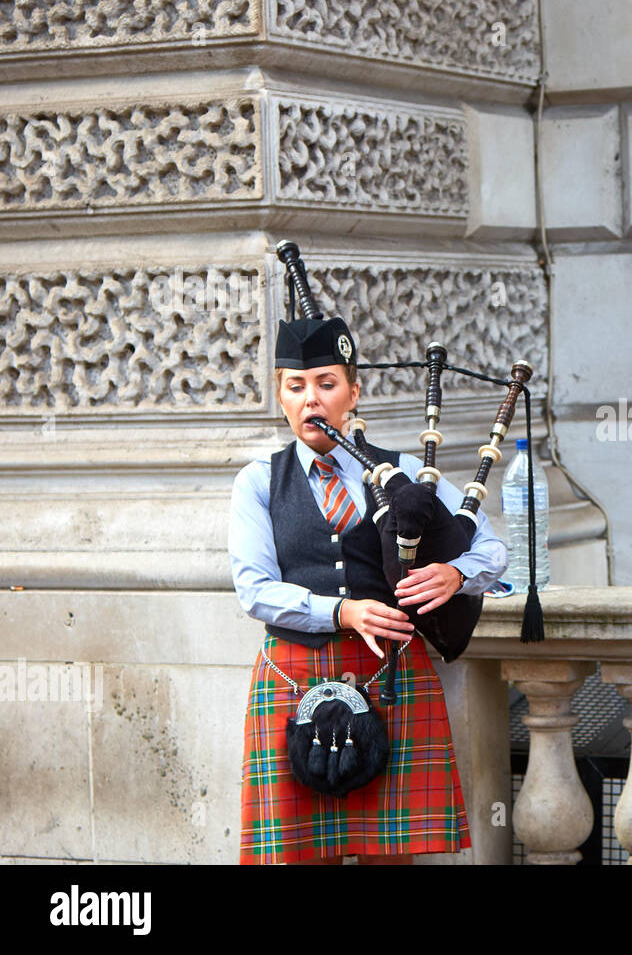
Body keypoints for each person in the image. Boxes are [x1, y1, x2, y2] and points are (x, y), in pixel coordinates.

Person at [229, 313, 507, 865]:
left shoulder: (404, 472)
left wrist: (454, 575)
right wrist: (343, 612)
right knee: (302, 856)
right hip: (292, 680)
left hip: (391, 682)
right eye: (296, 386)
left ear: (353, 393)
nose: (312, 400)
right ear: (281, 397)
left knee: (391, 856)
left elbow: (491, 551)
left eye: (327, 384)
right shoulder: (259, 481)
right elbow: (253, 589)